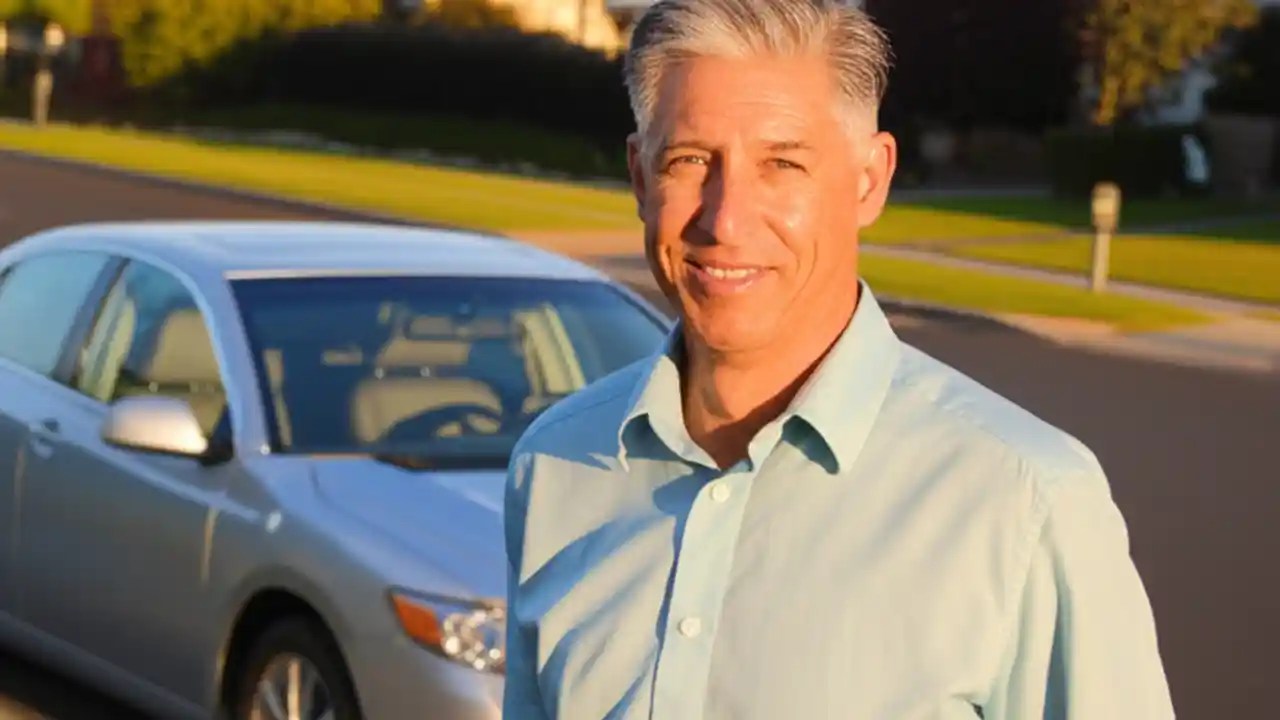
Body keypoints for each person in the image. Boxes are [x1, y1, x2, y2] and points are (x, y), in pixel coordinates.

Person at [502, 1, 1175, 717]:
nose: (726, 220)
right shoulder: (553, 468)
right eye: (691, 160)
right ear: (640, 177)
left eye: (782, 163)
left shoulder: (1025, 502)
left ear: (869, 180)